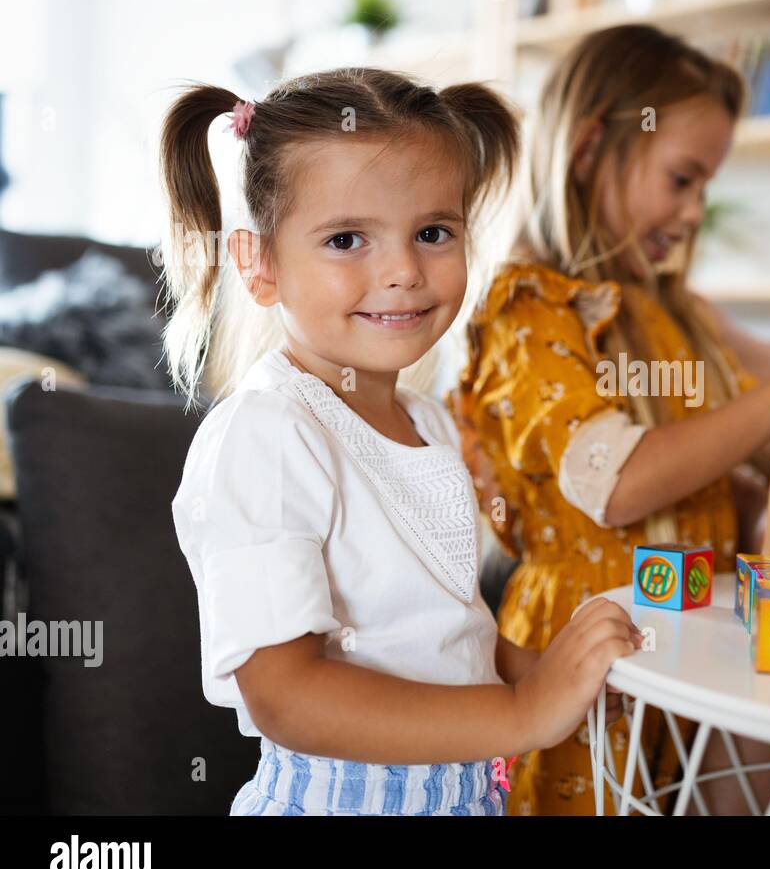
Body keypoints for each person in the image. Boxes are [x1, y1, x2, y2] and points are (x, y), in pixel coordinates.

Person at [453, 24, 770, 815]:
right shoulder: (531, 309)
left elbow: (726, 484)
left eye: (705, 190)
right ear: (589, 149)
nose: (693, 213)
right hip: (595, 656)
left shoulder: (677, 315)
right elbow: (618, 485)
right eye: (682, 179)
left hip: (704, 643)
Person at [162, 67, 638, 815]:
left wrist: (544, 673)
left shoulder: (431, 423)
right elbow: (288, 696)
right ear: (258, 264)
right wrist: (522, 714)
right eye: (347, 239)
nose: (405, 272)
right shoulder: (267, 434)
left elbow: (447, 635)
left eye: (433, 232)